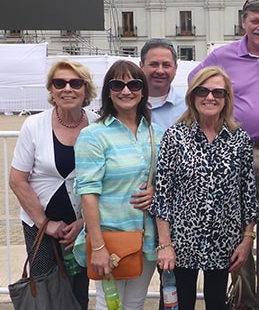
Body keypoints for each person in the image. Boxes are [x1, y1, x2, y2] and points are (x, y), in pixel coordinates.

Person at [187, 0, 259, 310]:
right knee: (236, 230)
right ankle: (244, 300)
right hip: (234, 152)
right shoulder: (222, 56)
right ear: (243, 23)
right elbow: (197, 89)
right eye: (254, 21)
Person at [150, 66, 258, 310]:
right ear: (192, 96)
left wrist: (246, 241)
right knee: (178, 306)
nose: (210, 97)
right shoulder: (175, 137)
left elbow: (248, 196)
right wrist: (165, 245)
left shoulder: (239, 139)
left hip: (224, 245)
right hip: (182, 243)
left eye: (218, 92)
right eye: (203, 91)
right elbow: (163, 195)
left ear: (226, 98)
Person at [73, 60, 162, 310]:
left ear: (143, 90)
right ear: (108, 92)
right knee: (110, 305)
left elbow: (164, 180)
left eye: (133, 84)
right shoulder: (94, 135)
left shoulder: (156, 132)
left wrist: (155, 190)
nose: (126, 91)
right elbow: (87, 193)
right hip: (111, 237)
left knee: (134, 304)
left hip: (146, 237)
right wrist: (98, 245)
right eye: (117, 84)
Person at [10, 59, 98, 308]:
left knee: (78, 291)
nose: (67, 88)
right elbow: (17, 180)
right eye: (60, 83)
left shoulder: (98, 124)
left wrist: (85, 223)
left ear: (86, 89)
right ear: (51, 89)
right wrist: (44, 224)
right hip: (40, 227)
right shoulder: (34, 125)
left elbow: (105, 181)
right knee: (47, 293)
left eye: (75, 83)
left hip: (82, 227)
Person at [140, 38, 185, 131]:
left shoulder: (188, 108)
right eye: (154, 64)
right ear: (141, 66)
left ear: (175, 68)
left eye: (166, 65)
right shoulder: (127, 105)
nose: (160, 71)